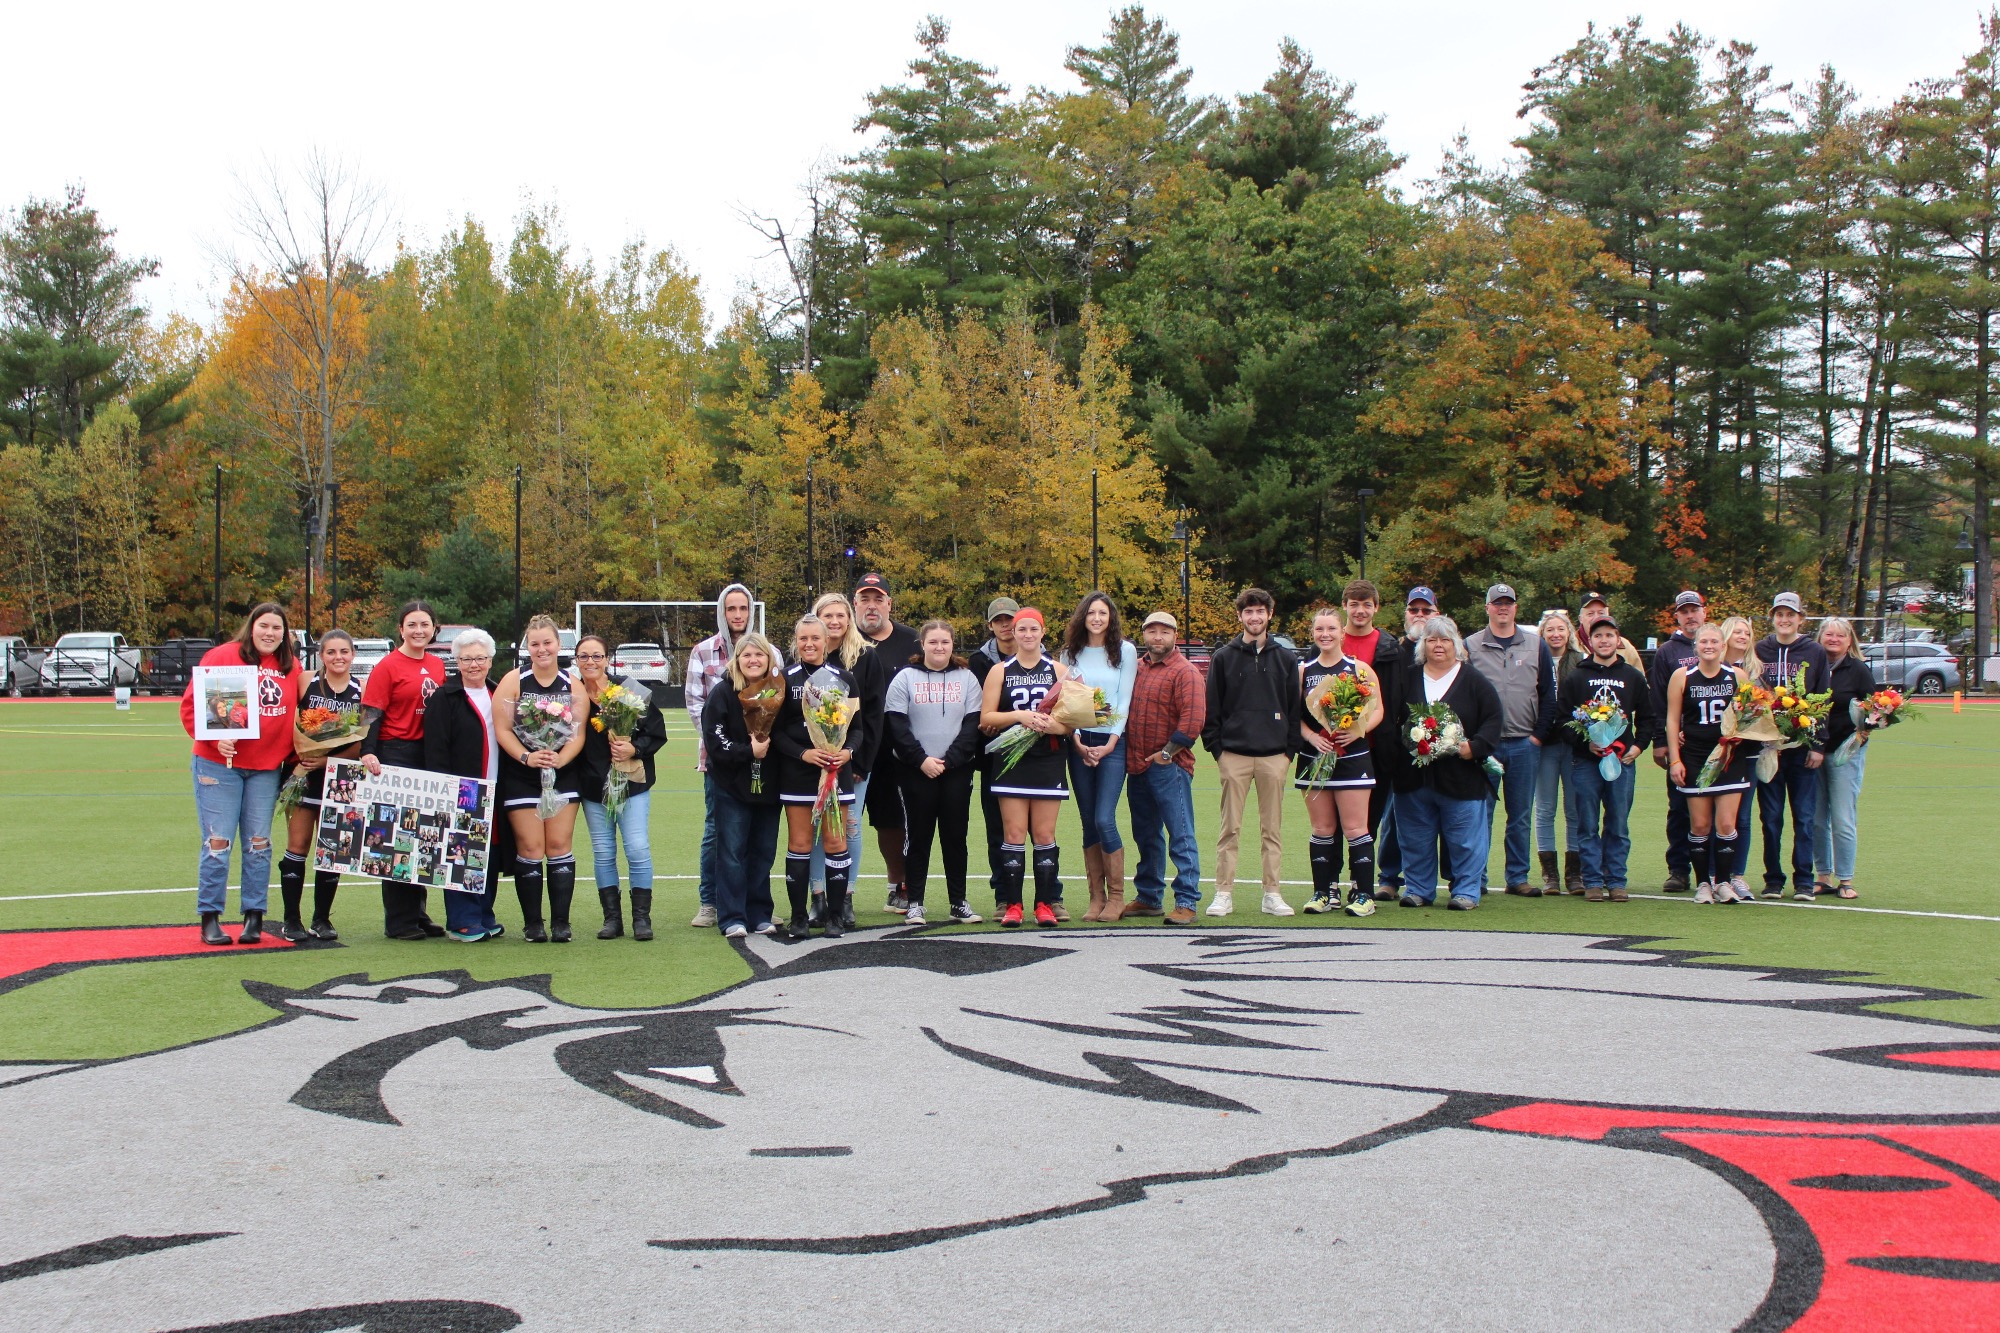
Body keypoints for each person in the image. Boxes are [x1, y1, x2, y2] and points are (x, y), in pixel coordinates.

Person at [179, 603, 303, 946]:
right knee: (218, 842)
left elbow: (297, 717)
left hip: (265, 769)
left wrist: (296, 760)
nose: (269, 633)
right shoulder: (222, 656)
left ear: (285, 634)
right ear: (252, 627)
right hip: (218, 766)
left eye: (277, 628)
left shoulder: (291, 666)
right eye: (264, 626)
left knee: (258, 844)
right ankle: (210, 917)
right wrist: (214, 738)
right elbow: (192, 707)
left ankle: (254, 915)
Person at [1391, 616, 1504, 910]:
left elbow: (1494, 719)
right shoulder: (1408, 678)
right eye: (1431, 640)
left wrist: (1475, 748)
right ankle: (1418, 890)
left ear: (1456, 644)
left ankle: (1466, 891)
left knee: (1465, 839)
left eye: (1444, 640)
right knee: (1415, 838)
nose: (1438, 645)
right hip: (1413, 779)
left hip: (1461, 777)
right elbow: (1392, 718)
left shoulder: (1474, 680)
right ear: (1422, 645)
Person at [1202, 588, 1302, 916]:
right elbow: (1212, 708)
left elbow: (1294, 709)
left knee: (1271, 830)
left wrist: (1288, 753)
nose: (1254, 617)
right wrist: (1218, 751)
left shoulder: (1286, 659)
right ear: (1240, 615)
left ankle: (1272, 893)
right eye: (1249, 611)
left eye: (1260, 611)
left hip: (1275, 757)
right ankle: (1223, 892)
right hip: (1234, 755)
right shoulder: (1223, 657)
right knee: (1229, 828)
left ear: (1270, 614)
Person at [685, 584, 777, 929]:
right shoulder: (706, 658)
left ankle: (757, 911)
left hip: (766, 775)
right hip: (724, 770)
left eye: (743, 608)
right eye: (731, 608)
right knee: (724, 840)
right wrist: (741, 749)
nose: (737, 614)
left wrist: (763, 747)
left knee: (762, 846)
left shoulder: (774, 669)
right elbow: (698, 707)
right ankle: (718, 906)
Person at [495, 614, 591, 942]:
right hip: (523, 775)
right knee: (532, 847)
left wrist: (561, 758)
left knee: (559, 845)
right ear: (527, 647)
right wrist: (527, 756)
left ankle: (561, 923)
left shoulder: (572, 683)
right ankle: (533, 923)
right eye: (534, 644)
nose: (542, 649)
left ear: (558, 644)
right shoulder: (514, 681)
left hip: (563, 773)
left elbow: (578, 733)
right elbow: (503, 730)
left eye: (547, 642)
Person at [979, 606, 1076, 927]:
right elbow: (987, 717)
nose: (1028, 634)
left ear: (1043, 632)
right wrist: (1020, 716)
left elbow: (1071, 723)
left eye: (1034, 629)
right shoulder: (1000, 671)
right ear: (1014, 633)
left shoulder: (1059, 670)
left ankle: (1045, 904)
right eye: (1022, 629)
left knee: (1045, 834)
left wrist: (1051, 726)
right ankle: (1013, 905)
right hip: (1011, 760)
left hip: (1048, 759)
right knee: (1014, 833)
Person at [884, 620, 986, 925]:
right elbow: (897, 726)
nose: (939, 647)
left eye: (945, 642)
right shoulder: (905, 678)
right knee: (918, 837)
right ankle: (915, 902)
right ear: (922, 645)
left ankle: (958, 902)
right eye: (933, 642)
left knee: (955, 837)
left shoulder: (967, 678)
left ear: (952, 645)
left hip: (956, 770)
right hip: (915, 771)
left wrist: (949, 761)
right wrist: (921, 760)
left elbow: (972, 725)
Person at [360, 600, 449, 940]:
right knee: (399, 838)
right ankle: (398, 920)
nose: (418, 630)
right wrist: (368, 750)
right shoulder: (388, 666)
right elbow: (371, 712)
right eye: (412, 624)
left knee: (422, 837)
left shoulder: (436, 664)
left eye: (424, 624)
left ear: (433, 628)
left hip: (427, 753)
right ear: (401, 629)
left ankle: (417, 913)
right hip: (396, 752)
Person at [1465, 583, 1557, 896]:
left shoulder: (1536, 645)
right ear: (1487, 607)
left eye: (1508, 603)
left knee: (1520, 816)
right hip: (1485, 745)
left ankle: (1517, 877)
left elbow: (1548, 695)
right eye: (1497, 603)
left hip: (1523, 744)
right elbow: (1464, 695)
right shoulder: (1471, 645)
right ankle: (1476, 877)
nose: (1503, 608)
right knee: (1481, 814)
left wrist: (1537, 737)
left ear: (1515, 607)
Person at [421, 629, 514, 941]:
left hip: (496, 786)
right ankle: (463, 920)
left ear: (490, 661)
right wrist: (445, 788)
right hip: (461, 789)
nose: (474, 664)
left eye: (480, 658)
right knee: (461, 852)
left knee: (490, 851)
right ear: (457, 662)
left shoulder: (499, 693)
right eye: (467, 659)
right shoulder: (444, 698)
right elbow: (436, 748)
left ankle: (485, 914)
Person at [1115, 611, 1207, 924]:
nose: (1157, 637)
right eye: (1152, 631)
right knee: (1146, 835)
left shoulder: (1185, 672)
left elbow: (1192, 721)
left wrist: (1166, 754)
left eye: (1164, 632)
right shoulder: (1136, 669)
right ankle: (1149, 896)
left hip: (1170, 766)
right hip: (1137, 765)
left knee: (1181, 834)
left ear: (1174, 636)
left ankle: (1187, 900)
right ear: (1143, 634)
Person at [575, 633, 668, 941]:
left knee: (637, 848)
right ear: (576, 660)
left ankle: (642, 919)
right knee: (603, 853)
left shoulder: (629, 690)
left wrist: (634, 749)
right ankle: (612, 919)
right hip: (592, 787)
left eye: (596, 656)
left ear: (607, 659)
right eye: (584, 656)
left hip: (631, 783)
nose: (590, 661)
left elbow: (657, 732)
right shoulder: (572, 694)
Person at [776, 615, 863, 938]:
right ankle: (799, 918)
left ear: (827, 641)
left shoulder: (844, 678)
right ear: (796, 642)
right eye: (803, 639)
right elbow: (776, 732)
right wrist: (803, 753)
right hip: (798, 773)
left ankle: (835, 917)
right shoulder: (784, 679)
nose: (809, 644)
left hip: (836, 771)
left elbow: (857, 728)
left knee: (835, 842)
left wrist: (847, 752)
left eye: (815, 638)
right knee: (799, 843)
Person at [1295, 607, 1385, 917]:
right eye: (1319, 629)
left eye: (1331, 628)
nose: (1325, 634)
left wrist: (1357, 730)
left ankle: (1364, 895)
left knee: (1355, 827)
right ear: (1312, 633)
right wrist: (1311, 737)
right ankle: (1323, 892)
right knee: (1322, 827)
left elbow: (1377, 709)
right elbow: (1294, 715)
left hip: (1352, 756)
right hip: (1315, 757)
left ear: (1342, 633)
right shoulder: (1303, 671)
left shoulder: (1359, 669)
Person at [1558, 616, 1653, 902]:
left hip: (1622, 761)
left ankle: (1616, 880)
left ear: (1618, 640)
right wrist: (1586, 744)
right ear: (1590, 641)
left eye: (1609, 635)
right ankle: (1592, 881)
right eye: (1598, 635)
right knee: (1587, 824)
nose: (1604, 640)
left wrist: (1639, 746)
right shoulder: (1577, 676)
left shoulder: (1632, 676)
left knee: (1618, 823)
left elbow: (1648, 717)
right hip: (1585, 762)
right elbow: (1562, 720)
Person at [1059, 592, 1139, 921]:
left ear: (1111, 618)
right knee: (1088, 820)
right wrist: (1077, 739)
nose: (1096, 618)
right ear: (1083, 616)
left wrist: (1111, 742)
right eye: (1091, 612)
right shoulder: (1069, 653)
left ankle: (1117, 897)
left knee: (1105, 818)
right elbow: (1067, 700)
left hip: (1113, 742)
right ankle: (1097, 897)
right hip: (1079, 742)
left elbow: (1124, 699)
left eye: (1102, 613)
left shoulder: (1125, 651)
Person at [1664, 622, 1757, 905]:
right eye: (1703, 642)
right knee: (1700, 825)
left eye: (1714, 642)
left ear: (1723, 646)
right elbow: (1672, 720)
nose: (1709, 646)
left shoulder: (1737, 675)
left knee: (1727, 823)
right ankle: (1703, 882)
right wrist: (1675, 760)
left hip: (1729, 757)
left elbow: (1750, 714)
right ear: (1696, 646)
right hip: (1694, 756)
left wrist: (1741, 736)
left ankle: (1724, 882)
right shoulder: (1682, 676)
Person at [278, 628, 361, 942]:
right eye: (331, 652)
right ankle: (291, 920)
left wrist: (327, 759)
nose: (338, 657)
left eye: (344, 651)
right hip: (304, 774)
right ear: (321, 655)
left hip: (340, 778)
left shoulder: (362, 688)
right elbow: (286, 720)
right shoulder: (305, 681)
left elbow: (362, 741)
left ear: (353, 654)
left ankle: (321, 919)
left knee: (331, 848)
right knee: (298, 845)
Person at [808, 592, 885, 928]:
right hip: (814, 763)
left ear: (849, 619)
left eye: (841, 615)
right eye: (828, 616)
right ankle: (818, 897)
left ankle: (846, 896)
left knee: (849, 828)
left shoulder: (866, 656)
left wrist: (860, 762)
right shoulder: (807, 655)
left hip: (851, 763)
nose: (835, 621)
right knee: (816, 828)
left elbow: (873, 715)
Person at [701, 631, 785, 938]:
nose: (753, 660)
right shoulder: (723, 692)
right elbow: (715, 740)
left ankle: (759, 914)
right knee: (732, 853)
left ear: (769, 659)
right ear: (737, 660)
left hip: (769, 785)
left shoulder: (778, 691)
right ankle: (732, 917)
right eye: (747, 655)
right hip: (731, 786)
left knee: (763, 851)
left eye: (759, 654)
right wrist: (748, 751)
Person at [1754, 592, 1832, 900]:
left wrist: (1818, 745)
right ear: (1772, 618)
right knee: (1771, 818)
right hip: (1769, 747)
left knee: (1804, 817)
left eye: (1790, 614)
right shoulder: (1760, 649)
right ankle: (1773, 879)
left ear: (1801, 618)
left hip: (1801, 748)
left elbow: (1823, 698)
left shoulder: (1814, 651)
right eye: (1779, 614)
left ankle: (1804, 880)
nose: (1784, 620)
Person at [853, 573, 923, 914]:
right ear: (854, 604)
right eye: (865, 599)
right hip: (850, 749)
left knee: (892, 822)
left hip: (896, 751)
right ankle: (836, 892)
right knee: (843, 822)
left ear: (889, 604)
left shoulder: (913, 642)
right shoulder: (843, 639)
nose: (871, 606)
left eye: (878, 599)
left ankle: (898, 886)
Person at [1338, 581, 1408, 897]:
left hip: (1377, 750)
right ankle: (1329, 884)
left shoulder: (1391, 649)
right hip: (1335, 750)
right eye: (1354, 604)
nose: (1360, 610)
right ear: (1345, 606)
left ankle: (1360, 883)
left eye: (1367, 604)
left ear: (1376, 608)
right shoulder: (1330, 640)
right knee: (1331, 824)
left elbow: (1397, 701)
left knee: (1368, 823)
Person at [1376, 585, 1438, 900]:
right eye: (1414, 610)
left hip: (1440, 743)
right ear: (1406, 614)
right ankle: (1388, 877)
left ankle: (1457, 880)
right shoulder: (1393, 649)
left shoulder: (1446, 649)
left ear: (1437, 614)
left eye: (1426, 610)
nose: (1420, 615)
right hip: (1400, 744)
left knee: (1445, 812)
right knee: (1393, 814)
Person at [1646, 589, 1708, 894]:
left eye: (1694, 610)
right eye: (1685, 611)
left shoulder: (1715, 643)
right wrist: (1661, 741)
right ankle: (1679, 869)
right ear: (1677, 617)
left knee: (1715, 807)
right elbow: (1658, 701)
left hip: (1715, 741)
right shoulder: (1667, 652)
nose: (1690, 616)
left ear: (1704, 612)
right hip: (1681, 744)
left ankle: (1713, 870)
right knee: (1680, 808)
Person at [1812, 617, 1872, 901]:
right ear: (1820, 637)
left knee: (1842, 817)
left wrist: (1866, 729)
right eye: (1829, 634)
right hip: (1813, 751)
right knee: (1815, 818)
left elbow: (1875, 707)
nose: (1833, 639)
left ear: (1849, 641)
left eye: (1840, 635)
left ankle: (1845, 879)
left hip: (1845, 753)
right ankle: (1823, 876)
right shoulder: (1811, 666)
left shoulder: (1857, 669)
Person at [967, 597, 1020, 906]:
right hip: (993, 755)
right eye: (998, 620)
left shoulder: (1043, 659)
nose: (1005, 625)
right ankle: (1004, 894)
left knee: (1040, 829)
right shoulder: (979, 661)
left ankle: (1050, 894)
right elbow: (975, 706)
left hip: (1035, 754)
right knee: (997, 828)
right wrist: (984, 726)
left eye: (1009, 619)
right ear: (990, 625)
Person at [1533, 610, 1586, 896]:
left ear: (1569, 633)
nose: (1555, 634)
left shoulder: (1581, 661)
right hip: (1545, 743)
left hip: (1573, 744)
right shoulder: (1535, 659)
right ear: (1542, 634)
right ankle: (1550, 874)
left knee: (1574, 808)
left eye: (1560, 629)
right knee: (1545, 808)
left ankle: (1574, 873)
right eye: (1550, 629)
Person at [1578, 592, 1644, 670]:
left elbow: (1639, 676)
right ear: (1580, 619)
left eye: (1601, 613)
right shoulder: (1570, 646)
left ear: (1608, 615)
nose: (1596, 617)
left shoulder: (1625, 647)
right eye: (1590, 614)